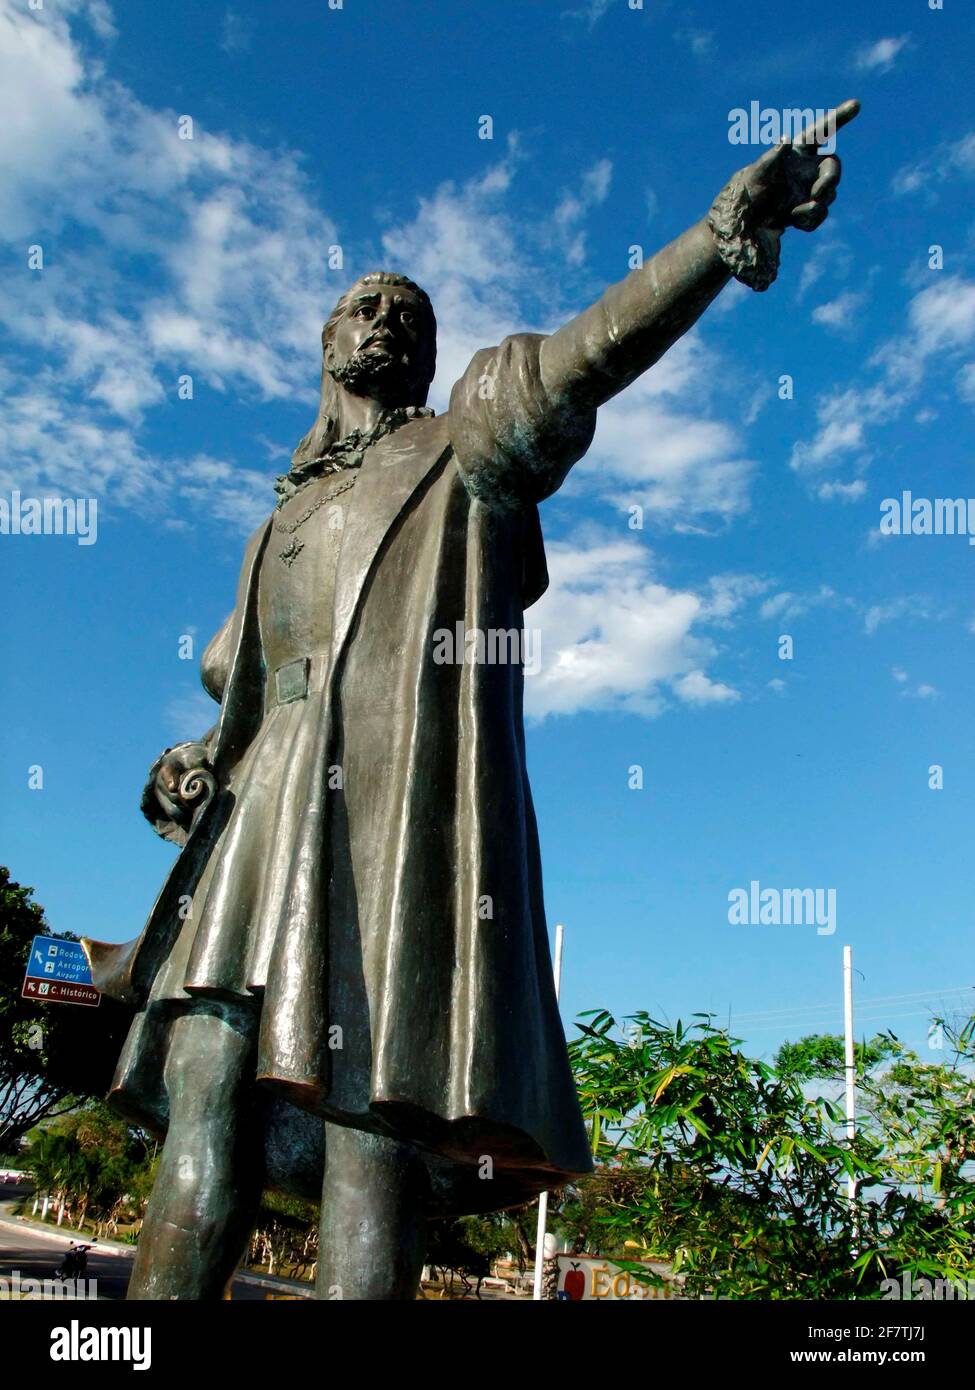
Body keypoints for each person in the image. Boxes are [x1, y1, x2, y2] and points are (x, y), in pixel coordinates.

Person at [84, 104, 858, 1300]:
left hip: (386, 836)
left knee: (367, 1141)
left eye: (410, 311)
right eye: (364, 301)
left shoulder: (462, 446)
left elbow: (588, 350)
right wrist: (188, 763)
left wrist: (718, 233)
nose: (385, 316)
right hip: (253, 827)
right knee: (204, 1113)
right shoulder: (276, 519)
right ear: (325, 337)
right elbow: (250, 692)